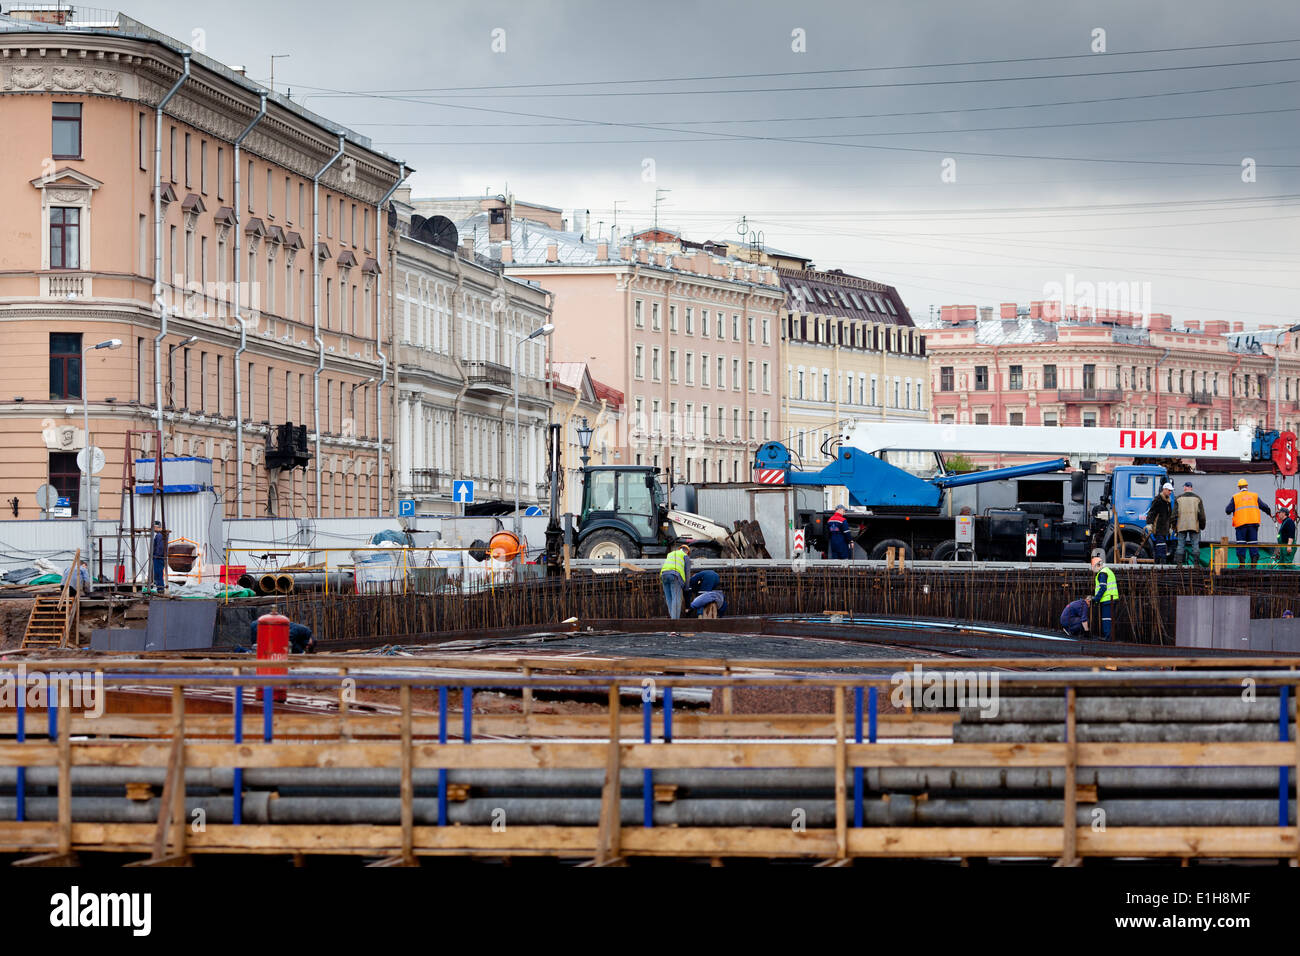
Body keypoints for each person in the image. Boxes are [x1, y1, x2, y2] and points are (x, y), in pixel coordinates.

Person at [1225, 478, 1271, 568]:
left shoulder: (1235, 497)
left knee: (1241, 543)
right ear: (1247, 486)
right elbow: (1264, 506)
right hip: (1253, 524)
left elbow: (1227, 510)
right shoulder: (1254, 496)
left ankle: (1242, 565)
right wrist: (1269, 513)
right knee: (1253, 543)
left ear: (1239, 487)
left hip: (1241, 525)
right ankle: (1253, 566)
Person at [1174, 481, 1207, 568]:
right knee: (1195, 545)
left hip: (1182, 525)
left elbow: (1174, 515)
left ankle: (1179, 565)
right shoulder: (1198, 498)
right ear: (1191, 488)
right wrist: (1202, 526)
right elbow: (1202, 515)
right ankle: (1196, 565)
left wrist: (1174, 527)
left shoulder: (1178, 499)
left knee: (1180, 544)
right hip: (1194, 525)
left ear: (1185, 487)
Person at [1091, 549, 1118, 641]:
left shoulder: (1102, 573)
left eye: (1094, 567)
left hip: (1107, 599)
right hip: (1111, 598)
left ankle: (1108, 638)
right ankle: (1109, 637)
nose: (1094, 570)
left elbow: (1103, 588)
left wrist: (1096, 599)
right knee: (1109, 619)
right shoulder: (1107, 571)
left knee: (1106, 619)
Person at [247, 617, 317, 653]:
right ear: (311, 638)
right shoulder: (303, 630)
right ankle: (240, 650)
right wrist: (299, 651)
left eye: (308, 646)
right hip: (262, 626)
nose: (307, 645)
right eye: (309, 644)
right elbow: (287, 637)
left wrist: (299, 650)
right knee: (258, 650)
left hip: (267, 629)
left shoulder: (302, 640)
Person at [1144, 482, 1175, 564]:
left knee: (1160, 547)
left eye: (1171, 490)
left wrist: (1171, 527)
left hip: (1165, 529)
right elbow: (1152, 512)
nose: (1170, 492)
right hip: (1159, 528)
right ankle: (1161, 566)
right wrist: (1149, 524)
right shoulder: (1158, 500)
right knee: (1161, 548)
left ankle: (1158, 564)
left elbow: (1169, 516)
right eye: (1169, 490)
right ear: (1164, 490)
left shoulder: (1167, 501)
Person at [659, 544, 691, 620]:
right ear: (687, 552)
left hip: (664, 575)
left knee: (669, 599)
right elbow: (687, 573)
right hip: (675, 576)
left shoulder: (670, 554)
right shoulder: (685, 556)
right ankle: (675, 624)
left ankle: (672, 623)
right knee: (676, 600)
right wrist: (686, 587)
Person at [150, 520, 168, 593]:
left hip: (159, 558)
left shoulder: (160, 535)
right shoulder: (160, 535)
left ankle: (160, 589)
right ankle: (159, 588)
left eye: (154, 527)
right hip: (159, 557)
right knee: (158, 573)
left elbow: (160, 548)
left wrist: (156, 556)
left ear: (156, 527)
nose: (153, 529)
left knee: (158, 573)